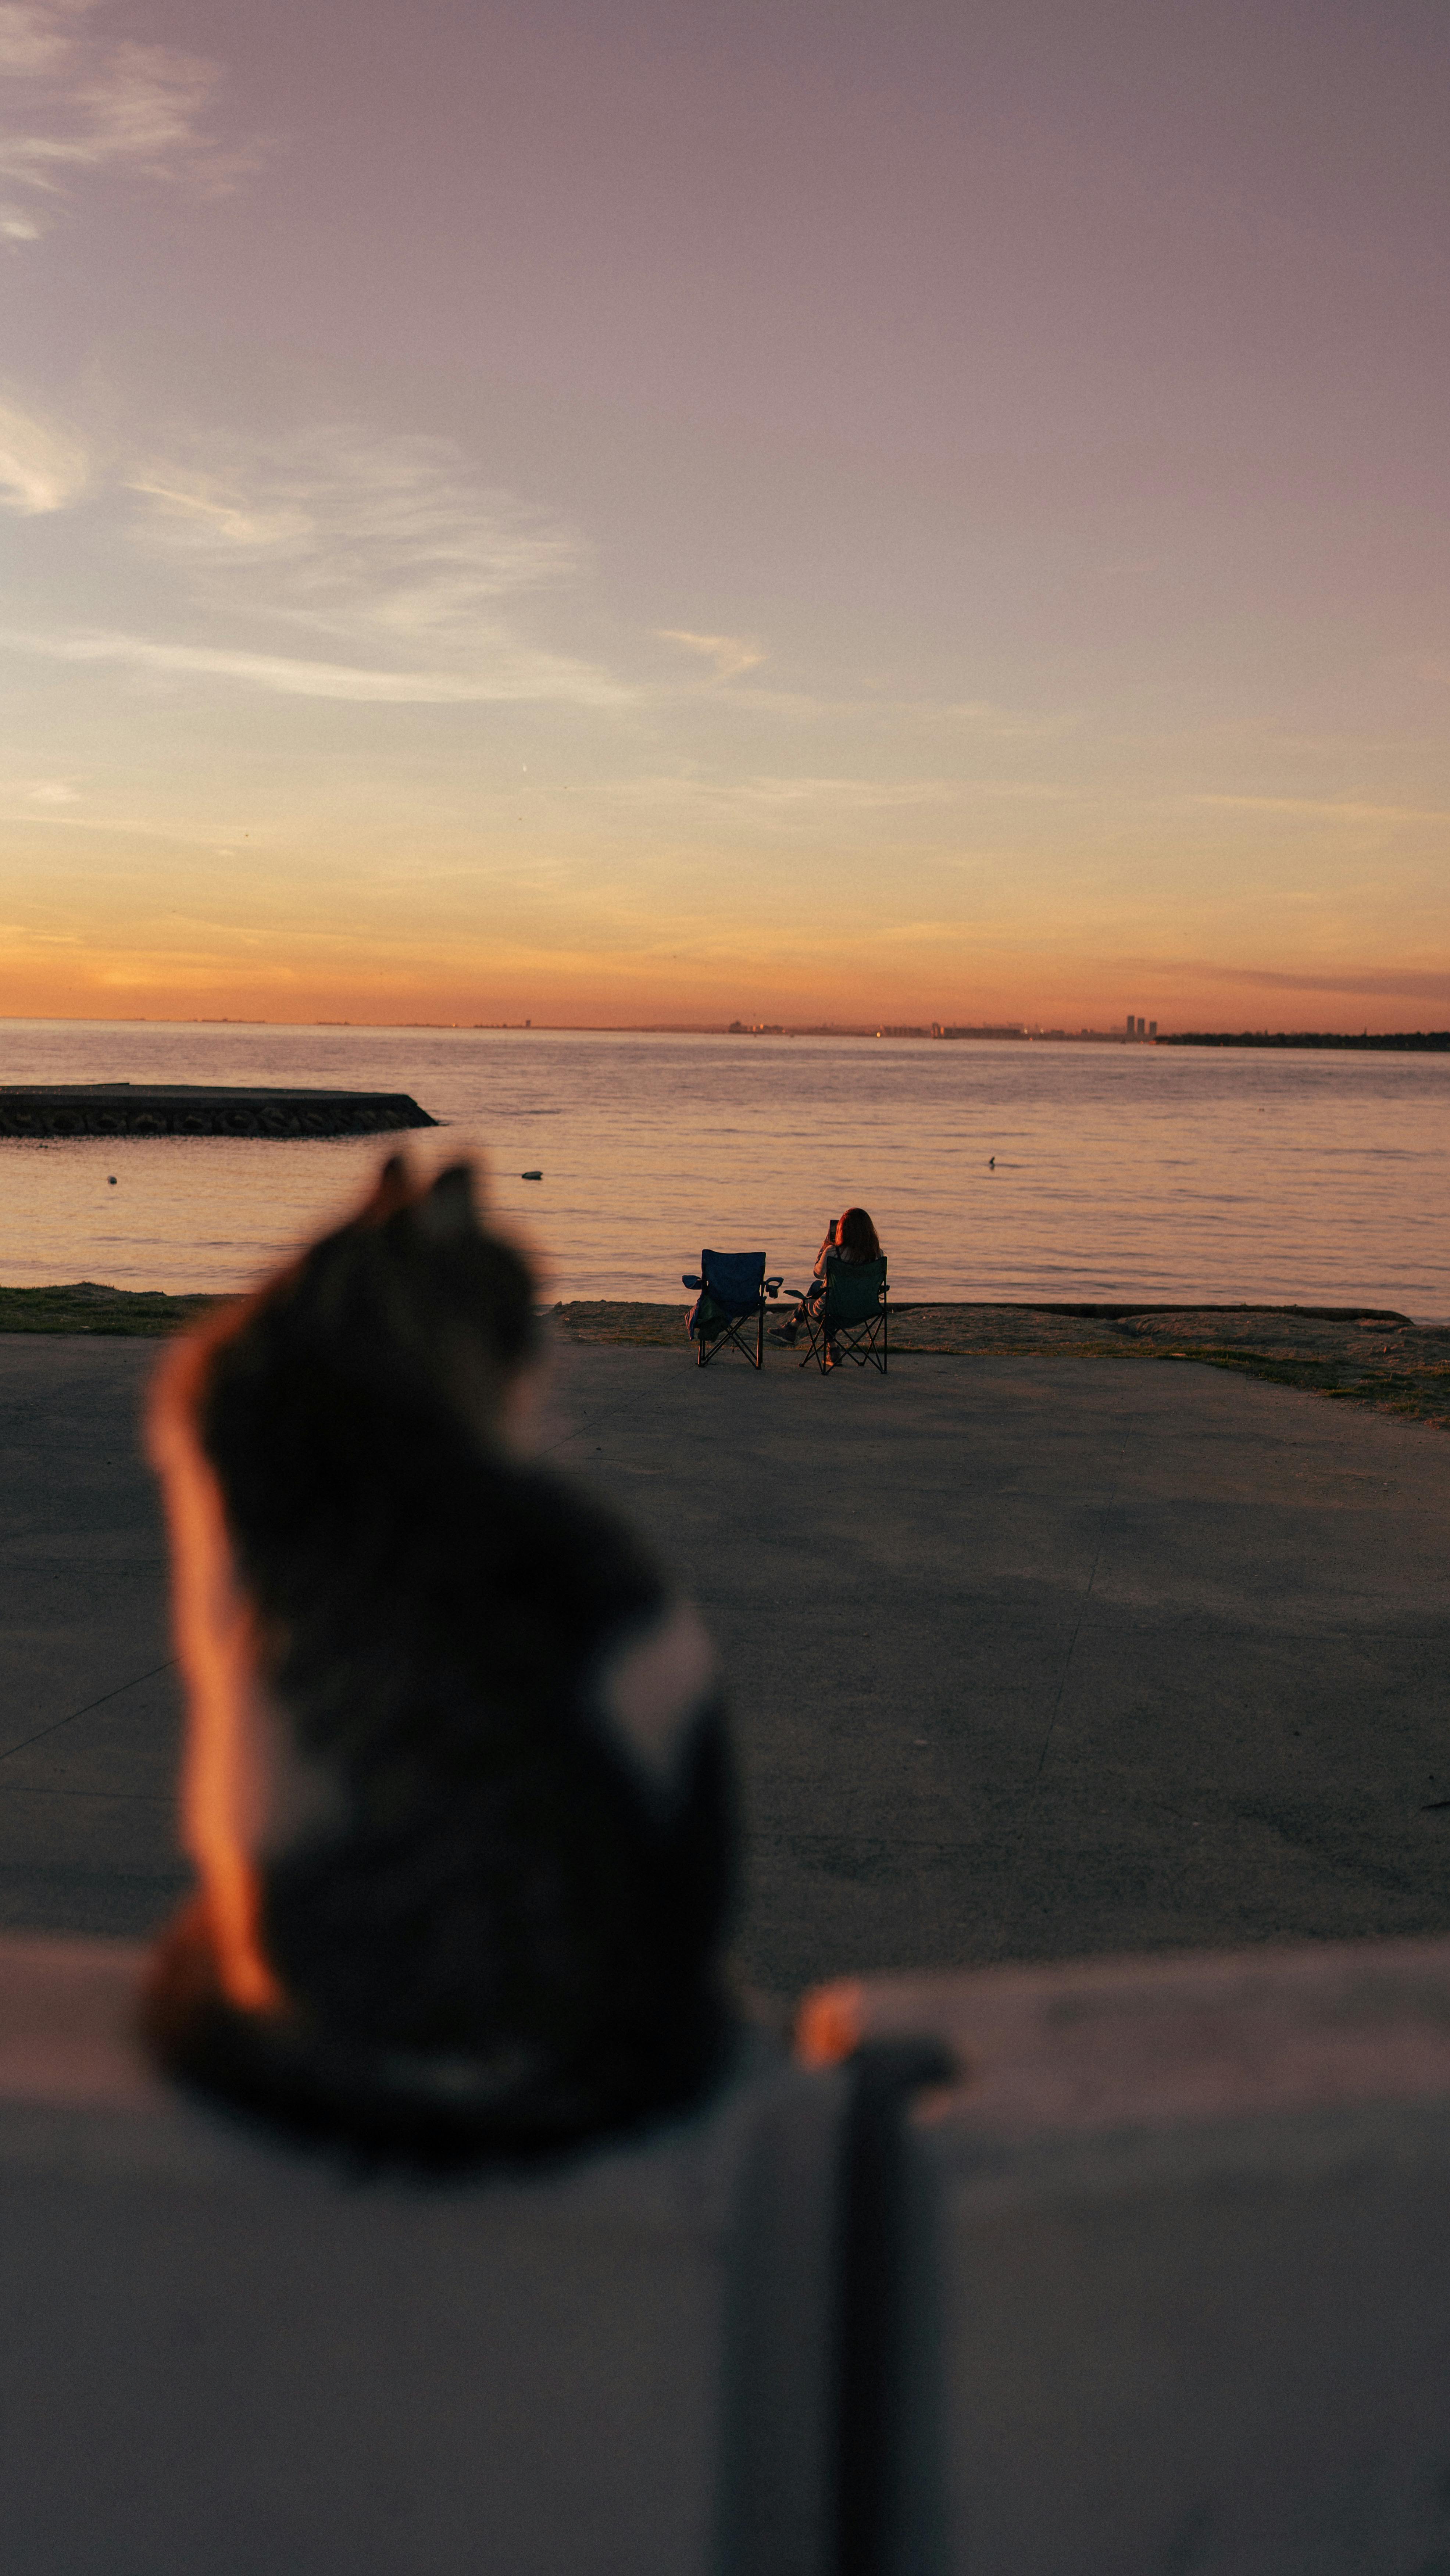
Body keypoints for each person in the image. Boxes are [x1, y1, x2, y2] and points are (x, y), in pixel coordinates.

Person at [141, 1153, 738, 2165]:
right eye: (515, 1345)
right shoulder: (510, 1522)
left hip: (407, 2001)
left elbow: (248, 1726)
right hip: (647, 2016)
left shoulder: (239, 1421)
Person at [769, 1205, 882, 1362]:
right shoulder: (877, 1254)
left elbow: (818, 1273)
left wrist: (824, 1247)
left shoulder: (833, 1252)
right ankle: (828, 1347)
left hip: (835, 1308)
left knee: (818, 1293)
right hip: (865, 1309)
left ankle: (794, 1329)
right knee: (824, 1296)